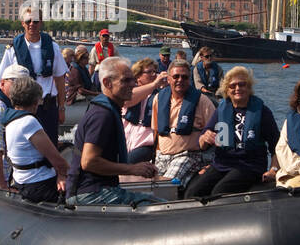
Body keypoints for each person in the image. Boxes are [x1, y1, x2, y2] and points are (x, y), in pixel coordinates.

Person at [68, 56, 157, 206]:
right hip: (90, 193)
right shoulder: (102, 116)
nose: (133, 84)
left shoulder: (108, 110)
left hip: (98, 189)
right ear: (107, 83)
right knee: (157, 207)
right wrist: (132, 169)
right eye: (125, 81)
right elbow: (89, 162)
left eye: (133, 80)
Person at [184, 66, 279, 198]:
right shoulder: (221, 110)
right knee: (192, 193)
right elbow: (202, 143)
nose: (237, 88)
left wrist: (273, 170)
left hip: (249, 166)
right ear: (227, 90)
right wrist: (205, 138)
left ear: (249, 87)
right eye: (232, 86)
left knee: (219, 192)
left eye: (242, 84)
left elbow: (277, 146)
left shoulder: (262, 111)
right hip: (222, 164)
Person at [0, 7, 67, 146]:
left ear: (41, 23)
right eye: (28, 21)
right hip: (21, 108)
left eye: (35, 21)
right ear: (22, 23)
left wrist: (61, 108)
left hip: (47, 106)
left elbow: (59, 79)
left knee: (50, 146)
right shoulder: (13, 49)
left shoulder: (53, 47)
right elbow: (2, 82)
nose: (31, 24)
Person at [2, 75, 69, 203]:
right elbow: (56, 159)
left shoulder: (10, 119)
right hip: (39, 183)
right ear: (35, 102)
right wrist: (63, 174)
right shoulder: (29, 122)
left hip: (21, 180)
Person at [151, 59, 216, 189]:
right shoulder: (158, 99)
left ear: (189, 79)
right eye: (176, 76)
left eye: (184, 77)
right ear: (169, 79)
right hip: (162, 156)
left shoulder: (203, 101)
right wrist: (154, 157)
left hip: (189, 155)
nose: (180, 80)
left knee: (166, 185)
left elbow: (221, 134)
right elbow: (156, 132)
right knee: (145, 183)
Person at [121, 58, 161, 164]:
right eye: (149, 72)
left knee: (129, 162)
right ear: (138, 76)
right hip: (125, 138)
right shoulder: (129, 91)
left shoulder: (159, 95)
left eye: (155, 72)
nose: (154, 75)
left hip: (145, 142)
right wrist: (153, 85)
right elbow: (127, 100)